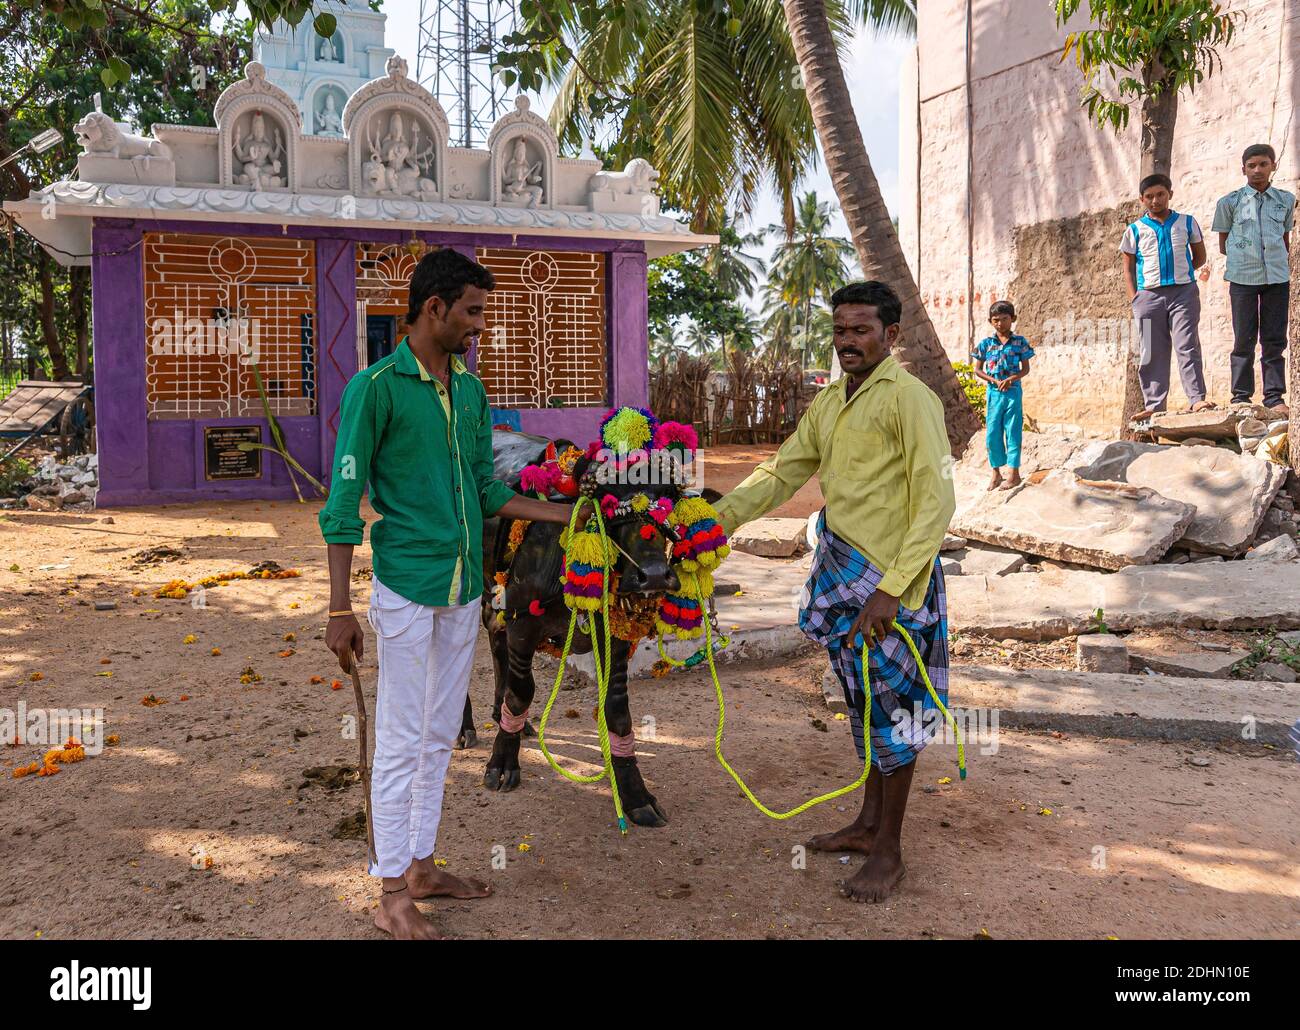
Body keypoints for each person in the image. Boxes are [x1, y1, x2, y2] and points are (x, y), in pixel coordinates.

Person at [318, 249, 580, 939]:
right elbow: (343, 503)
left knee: (440, 736)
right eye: (472, 311)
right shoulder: (374, 389)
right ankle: (388, 892)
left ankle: (423, 867)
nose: (479, 326)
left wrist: (567, 511)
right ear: (433, 308)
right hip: (406, 588)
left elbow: (487, 489)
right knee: (401, 738)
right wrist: (340, 606)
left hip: (465, 589)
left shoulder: (469, 391)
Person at [713, 280, 955, 904]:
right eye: (840, 330)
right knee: (864, 704)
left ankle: (891, 851)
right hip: (844, 574)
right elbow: (784, 469)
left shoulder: (911, 399)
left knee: (896, 714)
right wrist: (714, 521)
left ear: (890, 335)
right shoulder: (830, 403)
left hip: (893, 588)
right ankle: (868, 824)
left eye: (860, 330)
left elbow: (935, 502)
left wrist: (893, 592)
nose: (847, 341)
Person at [1119, 173, 1213, 420]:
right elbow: (1127, 268)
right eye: (1149, 196)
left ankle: (1196, 399)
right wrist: (1135, 298)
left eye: (1160, 194)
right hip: (1148, 297)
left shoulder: (1187, 222)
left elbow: (1200, 257)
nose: (1155, 200)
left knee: (1187, 344)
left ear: (1170, 194)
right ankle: (1154, 404)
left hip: (1183, 294)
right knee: (1151, 350)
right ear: (1142, 199)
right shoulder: (1134, 230)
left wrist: (1180, 274)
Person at [1212, 143, 1295, 416]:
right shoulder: (1229, 202)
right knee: (1243, 339)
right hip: (1242, 279)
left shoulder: (1286, 200)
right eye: (1251, 166)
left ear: (1273, 166)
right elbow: (1223, 243)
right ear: (1243, 169)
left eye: (1263, 164)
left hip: (1277, 278)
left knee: (1274, 339)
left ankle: (1274, 397)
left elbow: (1285, 238)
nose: (1257, 170)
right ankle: (1241, 396)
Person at [971, 300, 1033, 490]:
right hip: (994, 392)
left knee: (1012, 431)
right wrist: (993, 380)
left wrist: (1011, 379)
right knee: (992, 433)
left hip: (1013, 392)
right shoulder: (986, 344)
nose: (1000, 323)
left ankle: (1014, 474)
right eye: (996, 320)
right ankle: (996, 473)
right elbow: (977, 370)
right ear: (990, 321)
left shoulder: (1020, 343)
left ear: (1013, 319)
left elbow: (1026, 369)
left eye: (1004, 319)